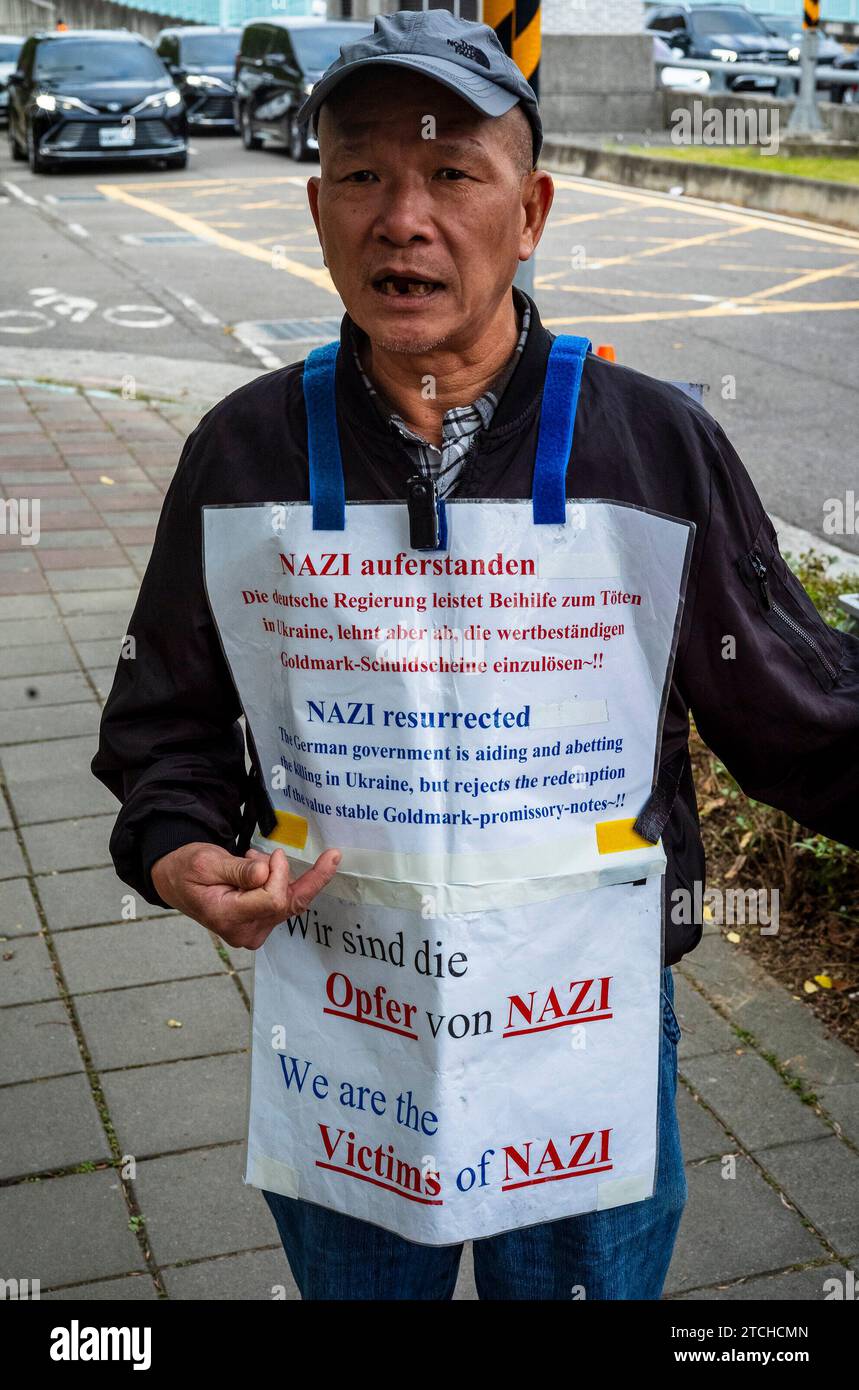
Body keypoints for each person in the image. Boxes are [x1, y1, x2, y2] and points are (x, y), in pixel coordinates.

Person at [92, 10, 859, 1300]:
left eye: (453, 172)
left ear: (533, 207)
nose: (404, 217)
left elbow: (799, 710)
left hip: (588, 1042)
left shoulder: (650, 447)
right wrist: (175, 850)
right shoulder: (241, 452)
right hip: (346, 1039)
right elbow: (161, 721)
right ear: (318, 206)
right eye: (362, 174)